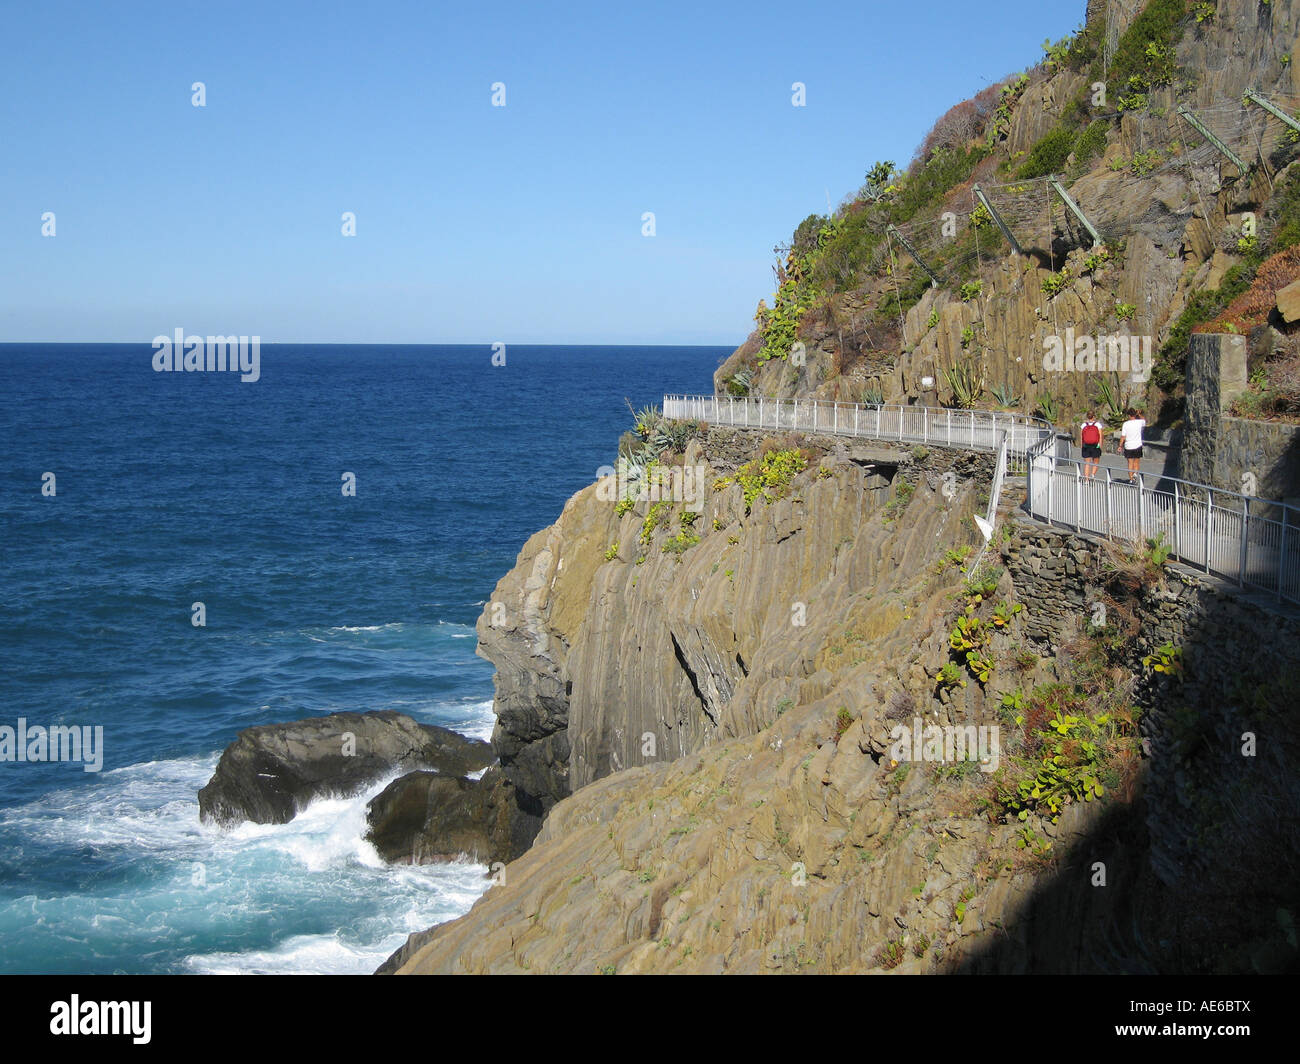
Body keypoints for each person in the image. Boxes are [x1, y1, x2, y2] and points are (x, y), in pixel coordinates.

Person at [1115, 407, 1146, 484]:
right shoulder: (1139, 422)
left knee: (1130, 463)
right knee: (1136, 462)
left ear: (1128, 415)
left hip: (1128, 446)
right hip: (1138, 445)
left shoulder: (1125, 424)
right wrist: (1139, 414)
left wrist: (1120, 446)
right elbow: (1144, 420)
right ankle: (1135, 474)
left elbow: (1123, 436)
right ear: (1135, 415)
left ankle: (1131, 479)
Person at [1079, 411, 1104, 480]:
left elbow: (1081, 436)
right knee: (1096, 462)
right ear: (1094, 416)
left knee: (1087, 463)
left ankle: (1086, 479)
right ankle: (1092, 474)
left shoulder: (1083, 425)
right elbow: (1101, 436)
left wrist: (1082, 445)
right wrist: (1100, 445)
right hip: (1095, 445)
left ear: (1087, 416)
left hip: (1086, 445)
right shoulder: (1098, 425)